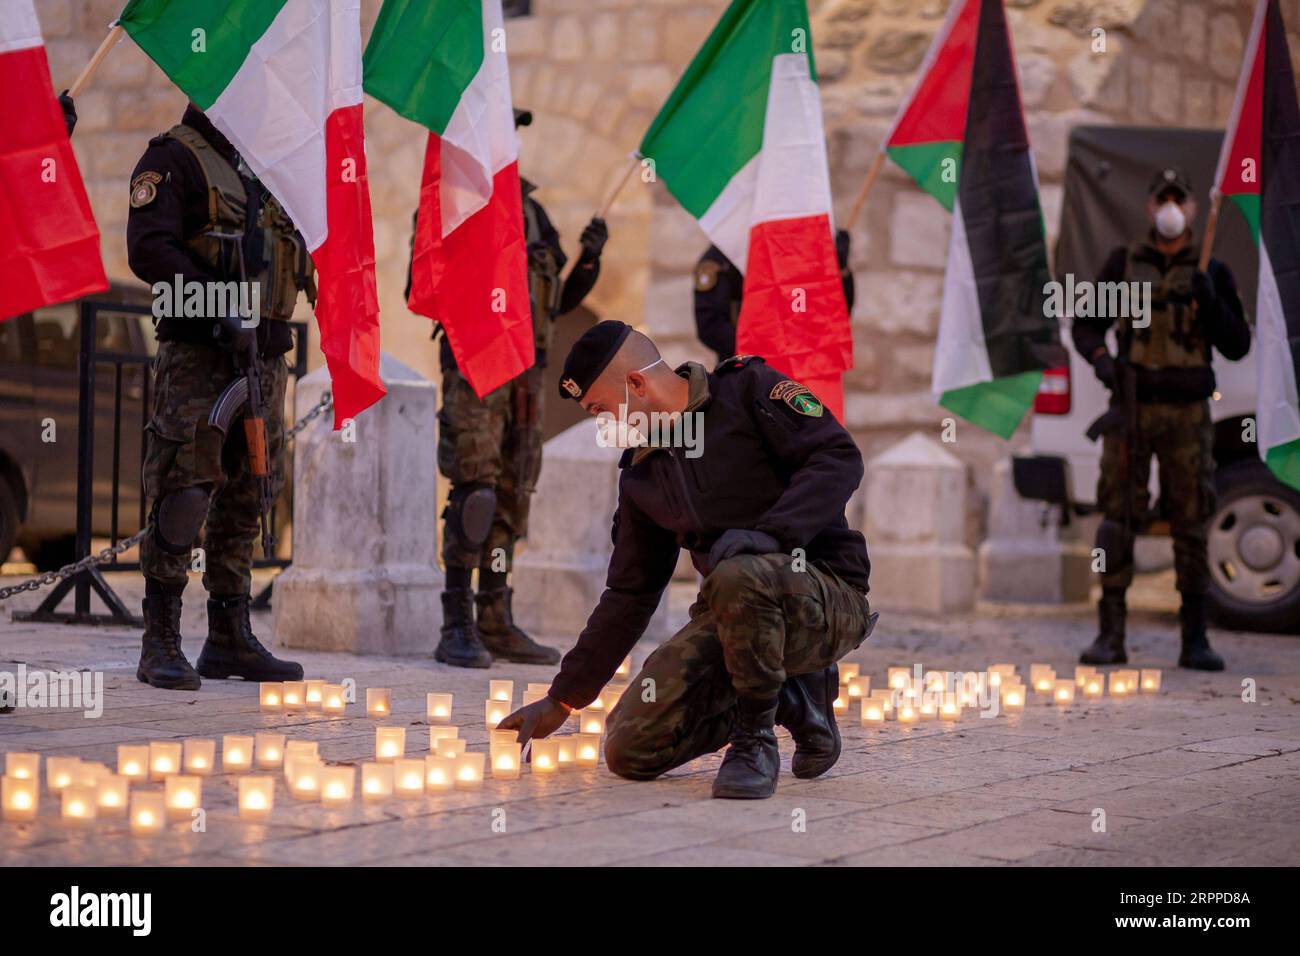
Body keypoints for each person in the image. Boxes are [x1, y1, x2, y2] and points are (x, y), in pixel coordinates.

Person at [498, 321, 876, 799]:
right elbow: (630, 594)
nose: (603, 426)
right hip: (734, 614)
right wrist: (564, 697)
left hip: (825, 596)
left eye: (601, 410)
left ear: (635, 384)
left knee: (740, 572)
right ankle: (795, 697)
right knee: (631, 748)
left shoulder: (746, 390)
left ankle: (754, 740)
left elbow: (838, 456)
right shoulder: (642, 474)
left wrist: (772, 535)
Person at [126, 103, 314, 689]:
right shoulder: (173, 156)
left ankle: (229, 636)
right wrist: (218, 302)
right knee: (186, 490)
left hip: (263, 357)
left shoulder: (265, 168)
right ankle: (159, 639)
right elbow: (149, 249)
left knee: (248, 493)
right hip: (199, 354)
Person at [429, 108, 609, 669]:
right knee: (476, 495)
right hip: (478, 370)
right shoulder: (450, 203)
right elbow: (424, 285)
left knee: (511, 499)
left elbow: (557, 300)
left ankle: (495, 615)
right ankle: (455, 621)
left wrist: (590, 260)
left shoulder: (531, 214)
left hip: (527, 376)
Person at [1073, 167, 1250, 671]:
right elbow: (1086, 327)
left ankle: (1195, 637)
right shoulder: (1123, 264)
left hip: (1190, 414)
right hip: (1133, 410)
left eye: (1180, 199)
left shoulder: (1212, 267)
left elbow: (1237, 344)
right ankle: (1111, 634)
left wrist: (1209, 300)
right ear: (1151, 207)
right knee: (1117, 516)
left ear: (1192, 209)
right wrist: (1105, 363)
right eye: (1162, 199)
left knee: (1191, 519)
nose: (1171, 208)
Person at [693, 229, 856, 363]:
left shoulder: (797, 248)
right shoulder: (722, 257)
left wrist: (837, 272)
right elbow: (710, 327)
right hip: (746, 376)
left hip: (802, 372)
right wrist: (773, 347)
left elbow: (833, 318)